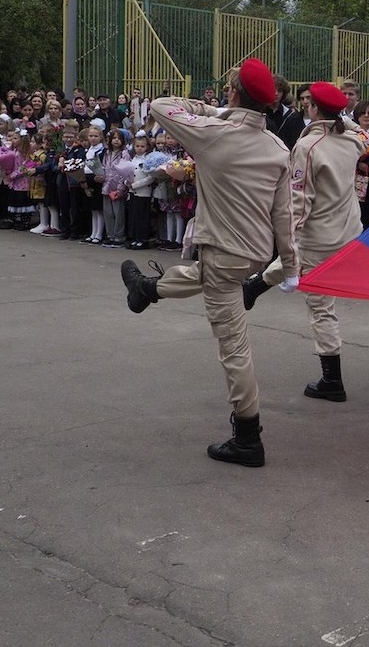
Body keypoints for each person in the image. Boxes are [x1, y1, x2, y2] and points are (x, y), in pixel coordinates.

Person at [119, 58, 298, 469]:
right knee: (209, 278)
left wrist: (212, 109)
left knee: (234, 347)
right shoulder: (277, 147)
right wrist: (289, 267)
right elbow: (284, 216)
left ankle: (248, 437)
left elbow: (162, 105)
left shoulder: (215, 133)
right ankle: (146, 290)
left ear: (234, 94)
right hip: (254, 252)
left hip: (221, 247)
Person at [242, 81, 366, 402]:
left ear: (312, 109)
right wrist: (344, 117)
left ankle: (332, 379)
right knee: (312, 290)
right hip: (349, 231)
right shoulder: (352, 140)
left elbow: (298, 205)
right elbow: (365, 136)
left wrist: (289, 243)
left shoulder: (308, 147)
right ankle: (255, 287)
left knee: (320, 307)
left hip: (319, 236)